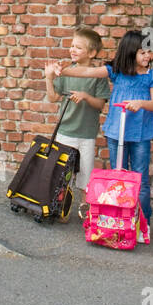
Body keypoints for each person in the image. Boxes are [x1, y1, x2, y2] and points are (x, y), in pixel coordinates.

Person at [56, 29, 153, 227]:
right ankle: (119, 219)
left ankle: (142, 224)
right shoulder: (116, 71)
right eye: (143, 52)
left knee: (141, 179)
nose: (148, 56)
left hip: (140, 134)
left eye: (149, 52)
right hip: (117, 133)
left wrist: (141, 103)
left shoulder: (152, 75)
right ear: (131, 52)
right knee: (118, 176)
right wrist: (61, 70)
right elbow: (87, 71)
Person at [42, 26, 109, 198]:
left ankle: (85, 206)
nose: (72, 50)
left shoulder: (98, 75)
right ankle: (58, 205)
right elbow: (52, 97)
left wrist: (86, 96)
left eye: (78, 47)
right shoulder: (66, 72)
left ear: (92, 53)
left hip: (87, 134)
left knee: (86, 177)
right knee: (61, 174)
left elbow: (100, 105)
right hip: (65, 132)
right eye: (72, 46)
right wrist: (49, 78)